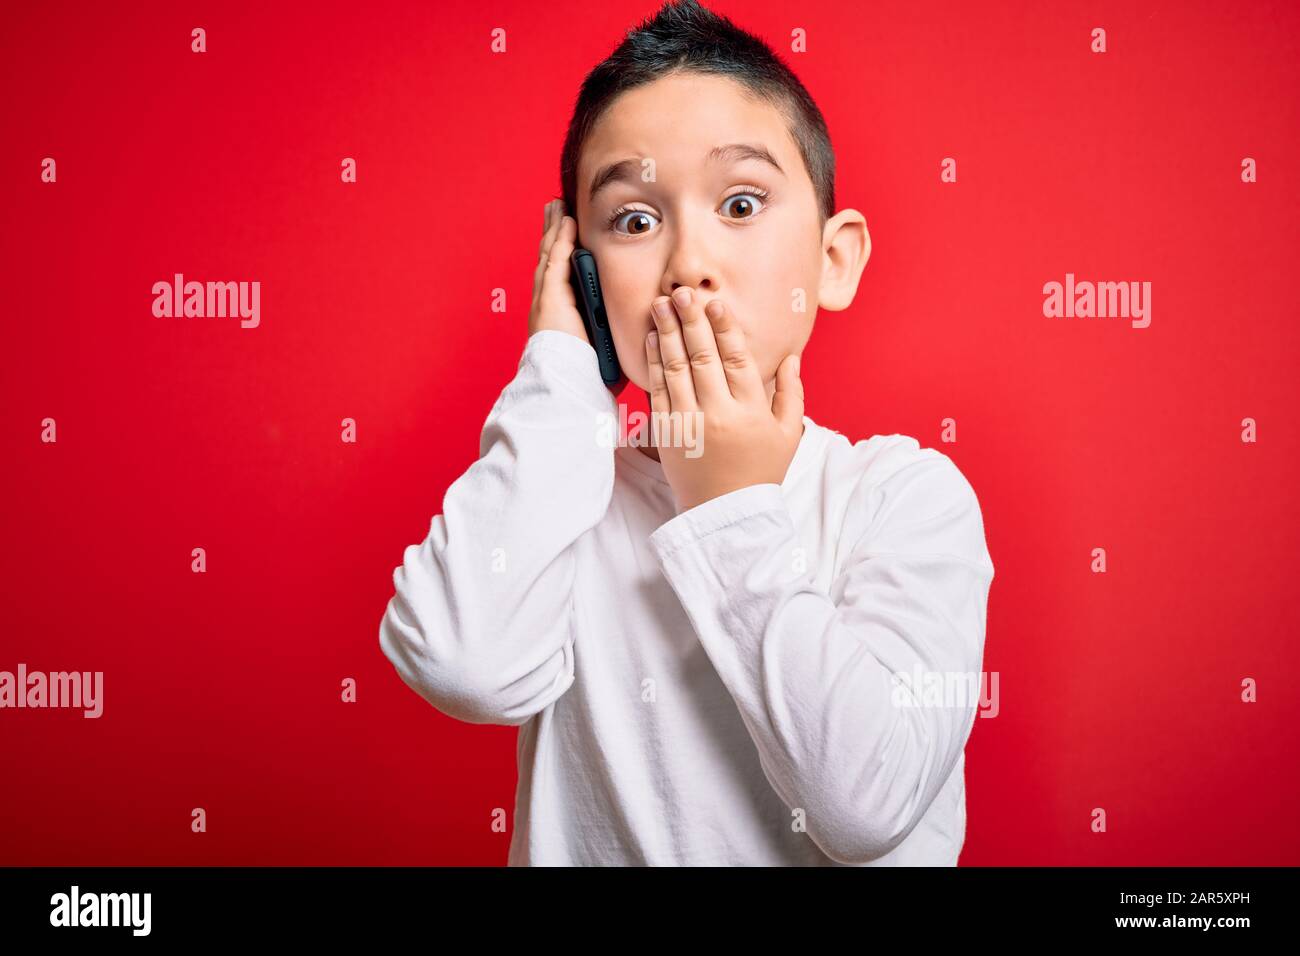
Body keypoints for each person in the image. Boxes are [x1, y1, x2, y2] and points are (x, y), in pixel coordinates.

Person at [378, 0, 994, 865]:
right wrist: (561, 365)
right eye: (634, 220)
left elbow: (865, 804)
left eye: (741, 203)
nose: (687, 263)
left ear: (833, 259)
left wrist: (731, 501)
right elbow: (462, 664)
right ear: (578, 273)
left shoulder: (907, 499)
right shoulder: (567, 502)